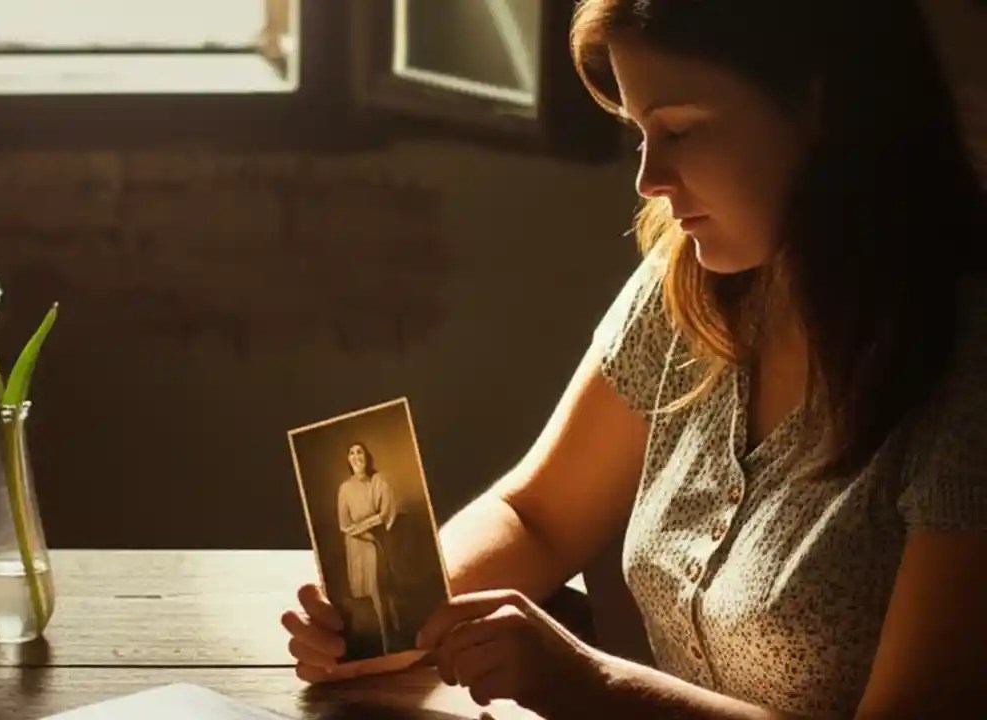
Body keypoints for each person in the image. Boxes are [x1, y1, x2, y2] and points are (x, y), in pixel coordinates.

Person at [281, 1, 986, 717]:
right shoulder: (695, 279)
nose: (649, 178)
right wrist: (393, 620)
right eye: (640, 132)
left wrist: (595, 685)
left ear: (821, 106)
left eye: (678, 129)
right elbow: (538, 515)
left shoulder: (967, 371)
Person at [336, 441, 402, 656]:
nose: (356, 456)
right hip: (358, 545)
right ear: (348, 459)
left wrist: (371, 530)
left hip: (379, 540)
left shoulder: (378, 480)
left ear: (367, 456)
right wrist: (364, 533)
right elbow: (344, 525)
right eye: (352, 453)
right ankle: (381, 643)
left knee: (384, 591)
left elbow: (386, 513)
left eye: (360, 452)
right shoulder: (344, 489)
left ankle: (393, 638)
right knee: (371, 593)